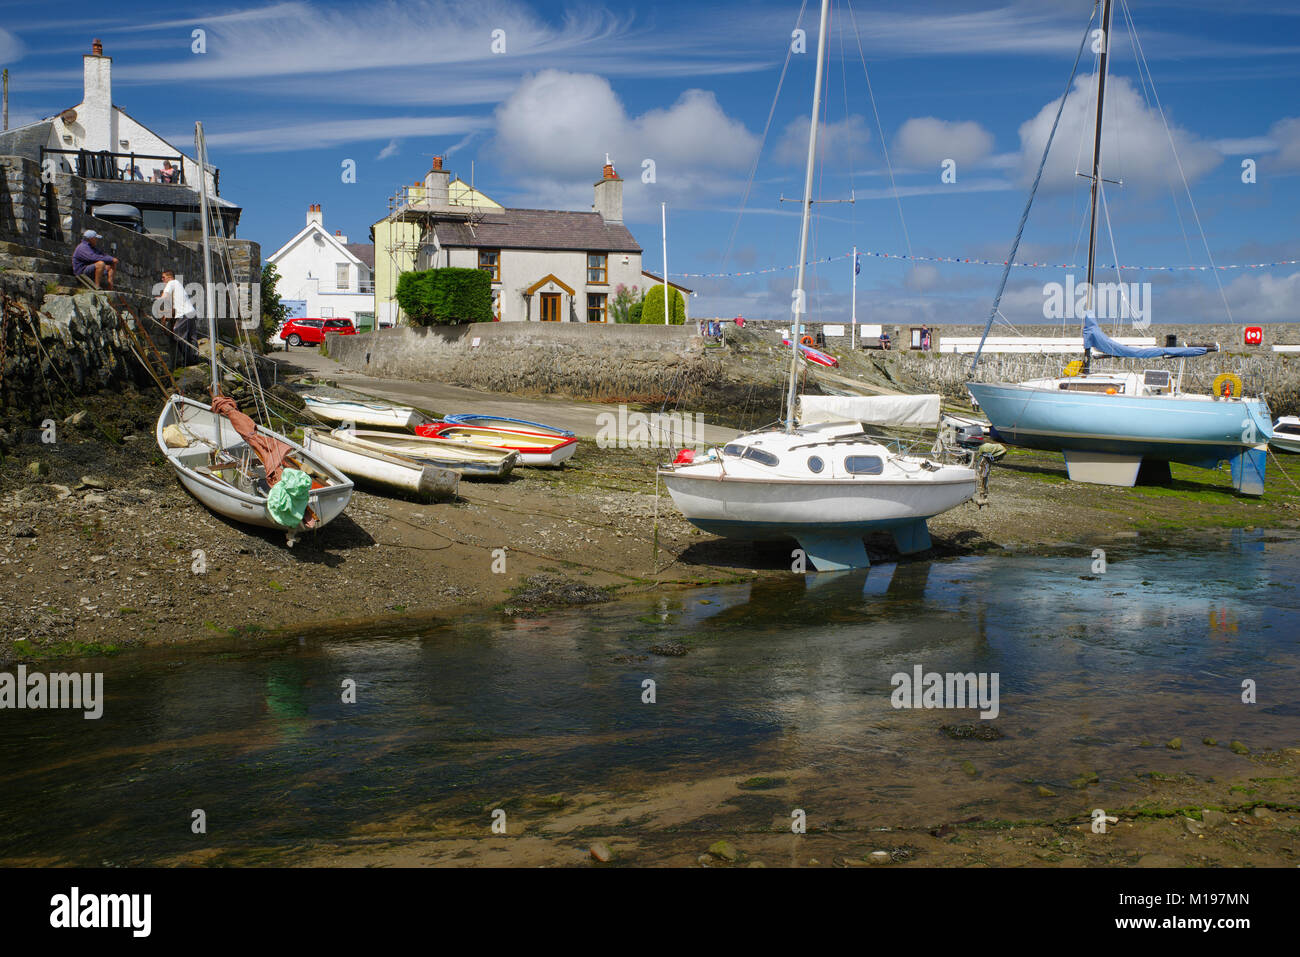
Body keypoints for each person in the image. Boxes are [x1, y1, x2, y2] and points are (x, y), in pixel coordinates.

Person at [157, 269, 198, 364]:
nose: (162, 279)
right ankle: (195, 359)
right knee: (192, 337)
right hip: (191, 312)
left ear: (169, 277)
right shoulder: (178, 284)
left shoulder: (171, 283)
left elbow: (165, 296)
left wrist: (158, 299)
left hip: (184, 313)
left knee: (178, 335)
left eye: (163, 277)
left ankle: (189, 361)